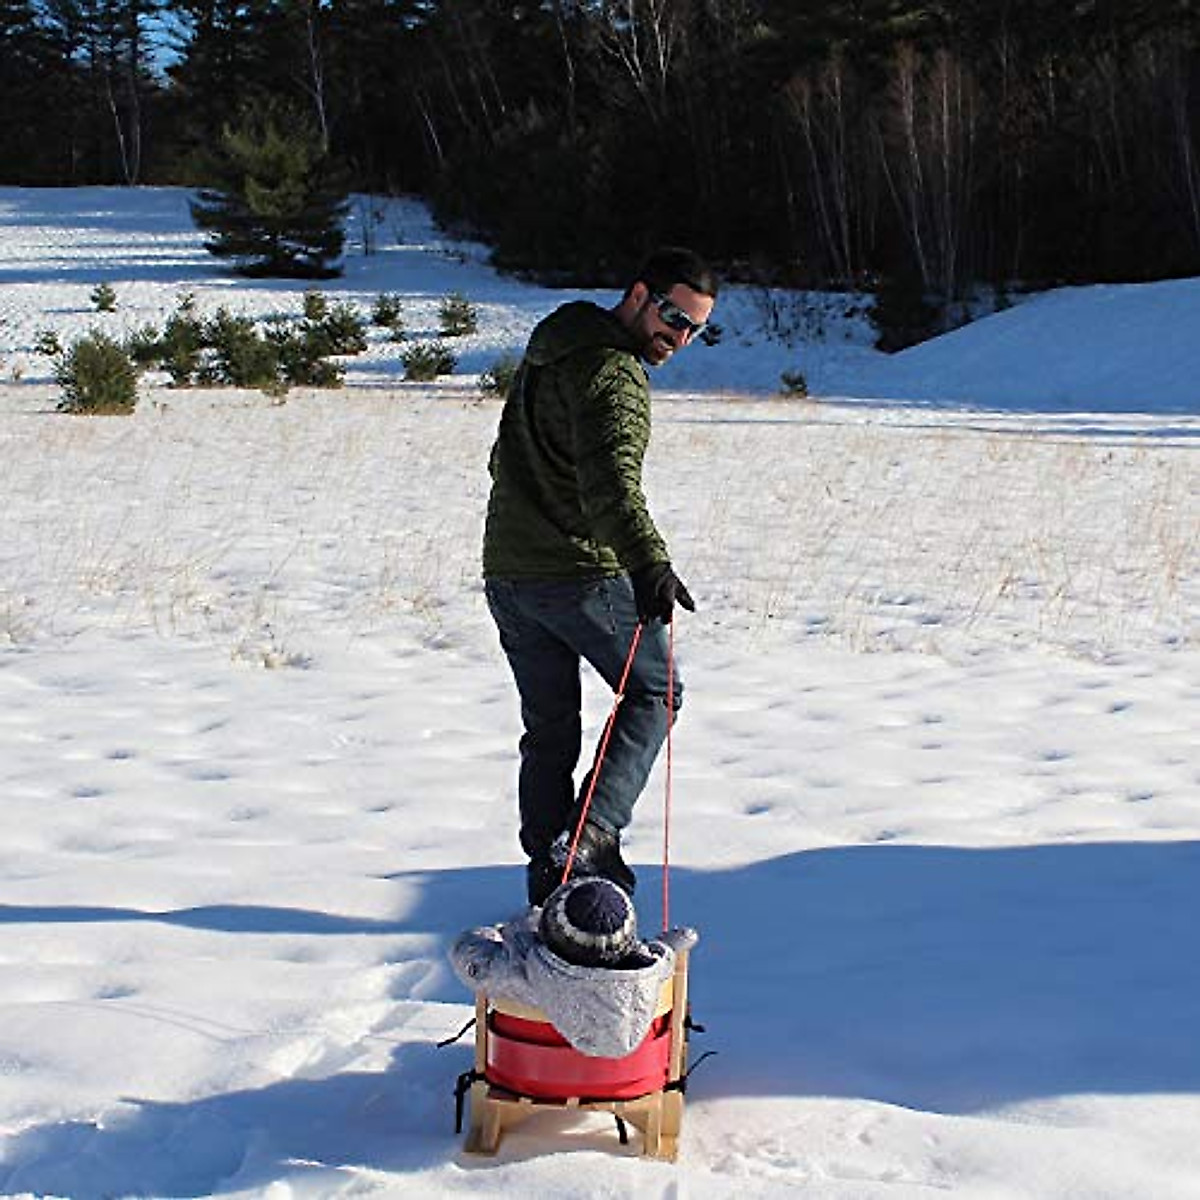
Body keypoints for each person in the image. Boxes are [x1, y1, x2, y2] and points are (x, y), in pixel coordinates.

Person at [482, 246, 719, 907]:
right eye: (673, 317)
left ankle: (548, 884)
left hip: (508, 574)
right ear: (639, 294)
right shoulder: (614, 375)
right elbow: (612, 481)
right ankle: (590, 840)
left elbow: (506, 456)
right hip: (577, 575)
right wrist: (649, 564)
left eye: (695, 329)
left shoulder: (553, 346)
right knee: (656, 691)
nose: (679, 337)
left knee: (550, 727)